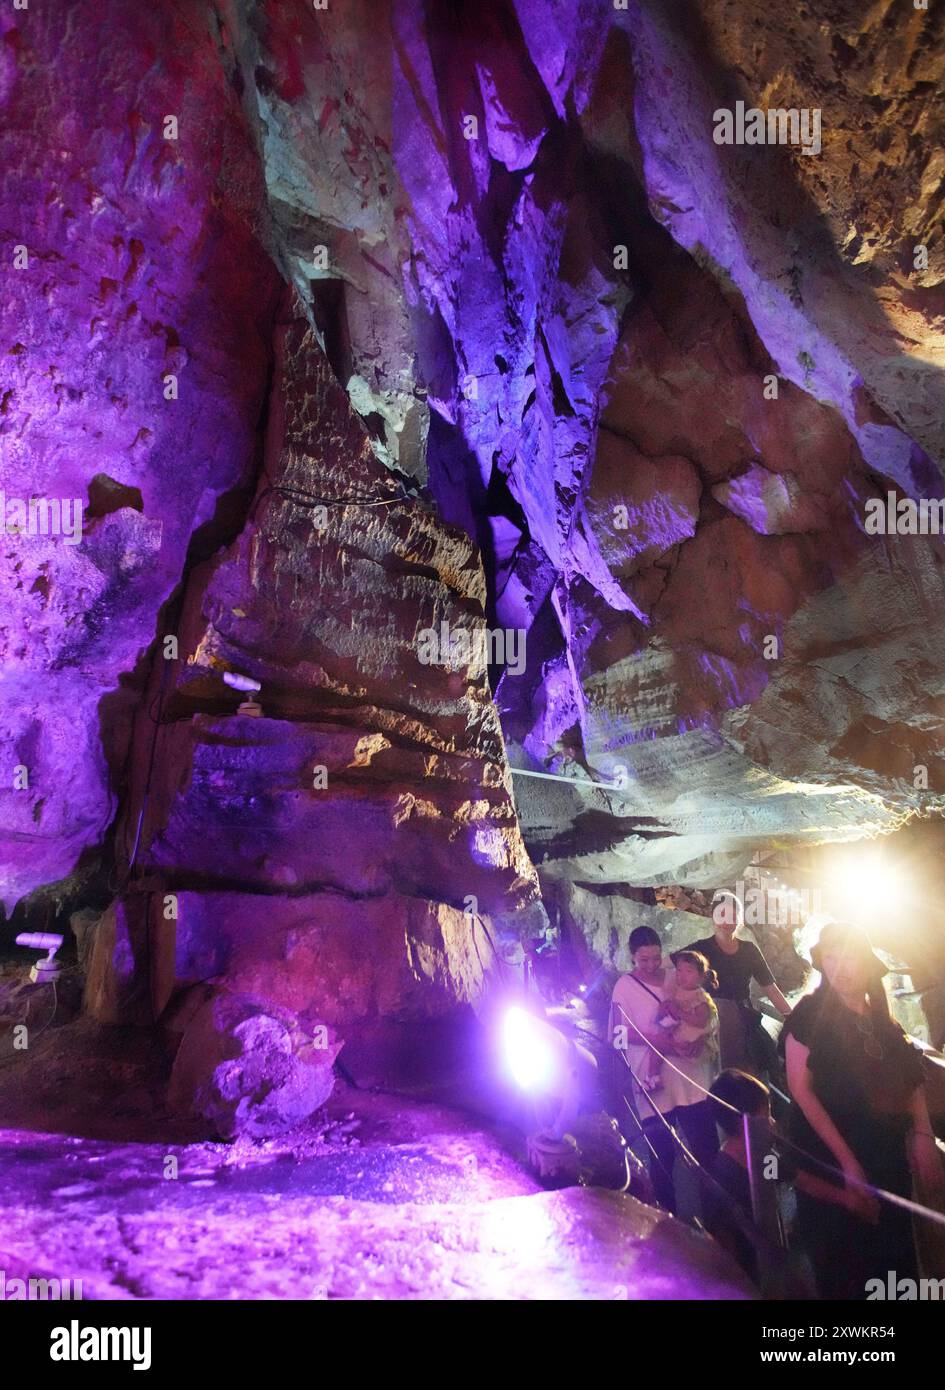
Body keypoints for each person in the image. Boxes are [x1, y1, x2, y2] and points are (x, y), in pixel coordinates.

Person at [780, 921, 945, 1299]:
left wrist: (922, 1133)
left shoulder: (880, 1018)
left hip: (886, 1159)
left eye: (849, 957)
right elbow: (801, 1091)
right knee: (848, 1268)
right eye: (832, 958)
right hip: (833, 1157)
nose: (841, 967)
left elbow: (911, 1076)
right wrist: (848, 1164)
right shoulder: (808, 1017)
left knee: (895, 1259)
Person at [704, 1068, 868, 1288]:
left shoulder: (763, 1159)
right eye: (766, 1115)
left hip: (774, 1270)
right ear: (745, 1122)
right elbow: (722, 1245)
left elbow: (803, 1181)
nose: (772, 1123)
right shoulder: (724, 1176)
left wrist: (847, 1199)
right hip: (748, 1280)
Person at [610, 927, 719, 1213]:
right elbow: (618, 1034)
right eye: (643, 960)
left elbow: (707, 1010)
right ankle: (668, 1221)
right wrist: (658, 1040)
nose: (651, 965)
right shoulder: (624, 987)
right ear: (632, 957)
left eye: (656, 958)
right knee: (661, 1157)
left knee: (705, 1150)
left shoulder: (677, 975)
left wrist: (704, 1037)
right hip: (654, 1085)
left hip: (691, 1080)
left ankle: (718, 1219)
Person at [689, 890, 791, 1074]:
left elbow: (770, 987)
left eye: (733, 915)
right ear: (713, 916)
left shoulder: (749, 950)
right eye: (722, 914)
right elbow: (672, 965)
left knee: (766, 1059)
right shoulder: (701, 948)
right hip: (713, 1020)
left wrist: (792, 1018)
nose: (727, 921)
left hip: (744, 1017)